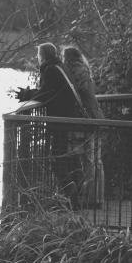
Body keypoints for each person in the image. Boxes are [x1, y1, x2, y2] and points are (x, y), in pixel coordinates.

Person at [15, 43, 86, 207]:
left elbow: (45, 94)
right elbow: (49, 91)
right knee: (65, 158)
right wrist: (28, 93)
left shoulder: (51, 70)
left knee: (56, 160)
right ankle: (75, 194)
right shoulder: (59, 67)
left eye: (38, 55)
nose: (37, 58)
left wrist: (27, 94)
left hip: (61, 121)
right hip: (68, 120)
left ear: (43, 56)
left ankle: (72, 197)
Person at [62, 45, 105, 208]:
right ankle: (96, 197)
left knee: (87, 160)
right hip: (95, 117)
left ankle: (89, 199)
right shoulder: (85, 70)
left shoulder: (74, 73)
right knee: (94, 160)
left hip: (85, 120)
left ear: (67, 59)